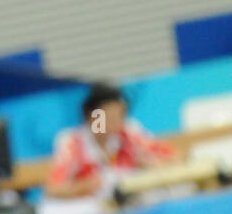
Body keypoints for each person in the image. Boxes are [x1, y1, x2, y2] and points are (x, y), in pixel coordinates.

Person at [46, 83, 177, 199]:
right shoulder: (72, 142)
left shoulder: (129, 132)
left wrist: (150, 164)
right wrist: (84, 186)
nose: (115, 123)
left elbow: (172, 157)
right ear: (90, 116)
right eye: (108, 117)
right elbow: (53, 189)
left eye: (119, 116)